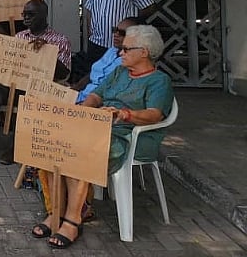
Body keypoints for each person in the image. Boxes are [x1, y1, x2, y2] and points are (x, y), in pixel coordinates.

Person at [30, 25, 174, 248]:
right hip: (98, 126)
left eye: (126, 49)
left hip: (128, 137)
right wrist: (84, 110)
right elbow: (97, 95)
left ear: (144, 52)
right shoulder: (119, 72)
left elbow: (154, 114)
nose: (120, 53)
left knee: (78, 153)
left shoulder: (159, 81)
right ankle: (56, 212)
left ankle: (72, 219)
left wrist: (125, 114)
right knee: (52, 144)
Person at [0, 0, 71, 167]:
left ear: (44, 15)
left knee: (34, 96)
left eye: (31, 14)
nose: (26, 18)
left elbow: (64, 74)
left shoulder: (59, 40)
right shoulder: (20, 37)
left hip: (39, 88)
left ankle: (16, 148)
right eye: (24, 14)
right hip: (16, 83)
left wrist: (47, 53)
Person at [74, 18, 138, 103]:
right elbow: (93, 74)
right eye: (115, 30)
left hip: (99, 104)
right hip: (82, 96)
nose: (116, 34)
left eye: (122, 33)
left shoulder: (132, 61)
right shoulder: (112, 51)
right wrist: (74, 89)